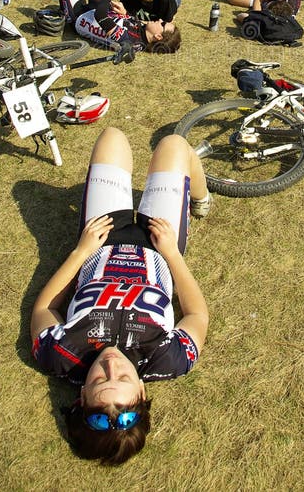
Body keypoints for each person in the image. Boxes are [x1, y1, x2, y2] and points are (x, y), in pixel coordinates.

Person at [30, 125, 210, 464]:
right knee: (174, 144)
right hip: (159, 244)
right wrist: (172, 254)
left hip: (100, 239)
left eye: (100, 379)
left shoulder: (60, 356)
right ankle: (201, 197)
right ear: (142, 391)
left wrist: (80, 252)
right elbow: (197, 316)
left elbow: (45, 308)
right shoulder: (168, 359)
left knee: (112, 137)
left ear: (82, 395)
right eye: (124, 377)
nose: (111, 365)